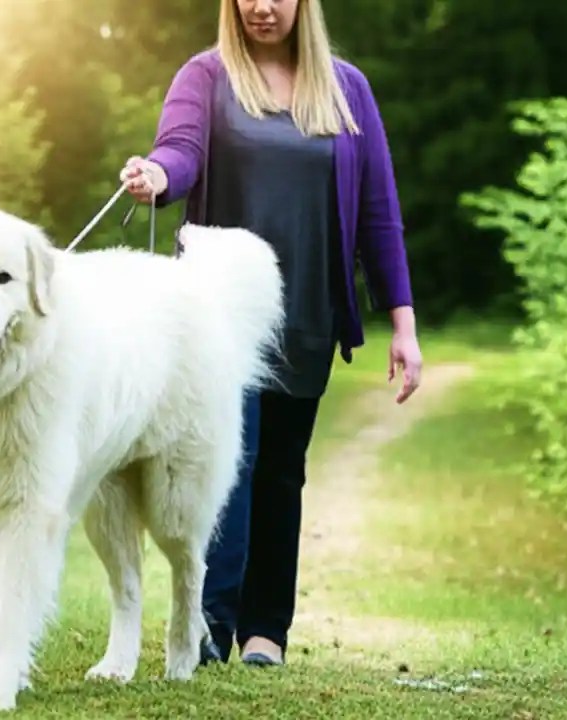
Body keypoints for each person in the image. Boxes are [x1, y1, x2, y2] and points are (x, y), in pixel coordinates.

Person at [119, 0, 423, 667]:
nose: (261, 6)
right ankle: (207, 625)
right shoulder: (206, 77)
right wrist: (160, 175)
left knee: (283, 471)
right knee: (231, 464)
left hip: (308, 310)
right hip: (223, 321)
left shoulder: (348, 90)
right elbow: (181, 149)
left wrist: (402, 323)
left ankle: (265, 632)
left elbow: (379, 213)